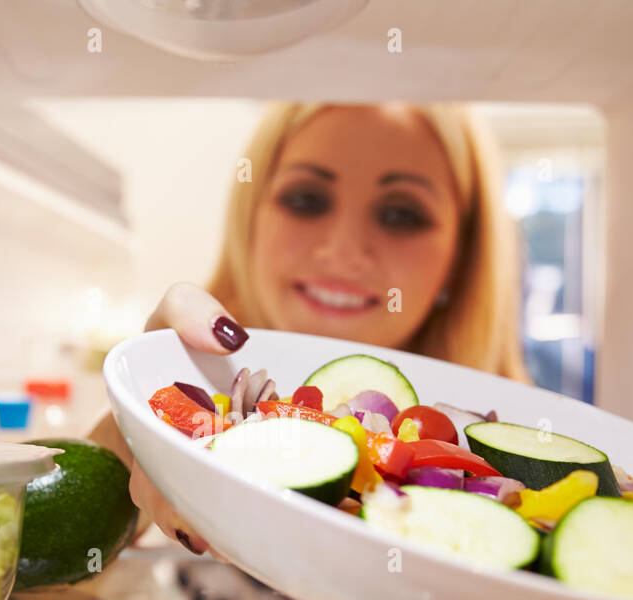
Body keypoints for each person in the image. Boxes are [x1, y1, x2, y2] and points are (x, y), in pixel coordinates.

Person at [88, 101, 529, 555]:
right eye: (306, 199)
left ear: (461, 255)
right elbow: (29, 589)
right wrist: (131, 428)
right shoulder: (200, 411)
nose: (341, 251)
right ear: (251, 219)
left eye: (400, 214)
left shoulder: (524, 459)